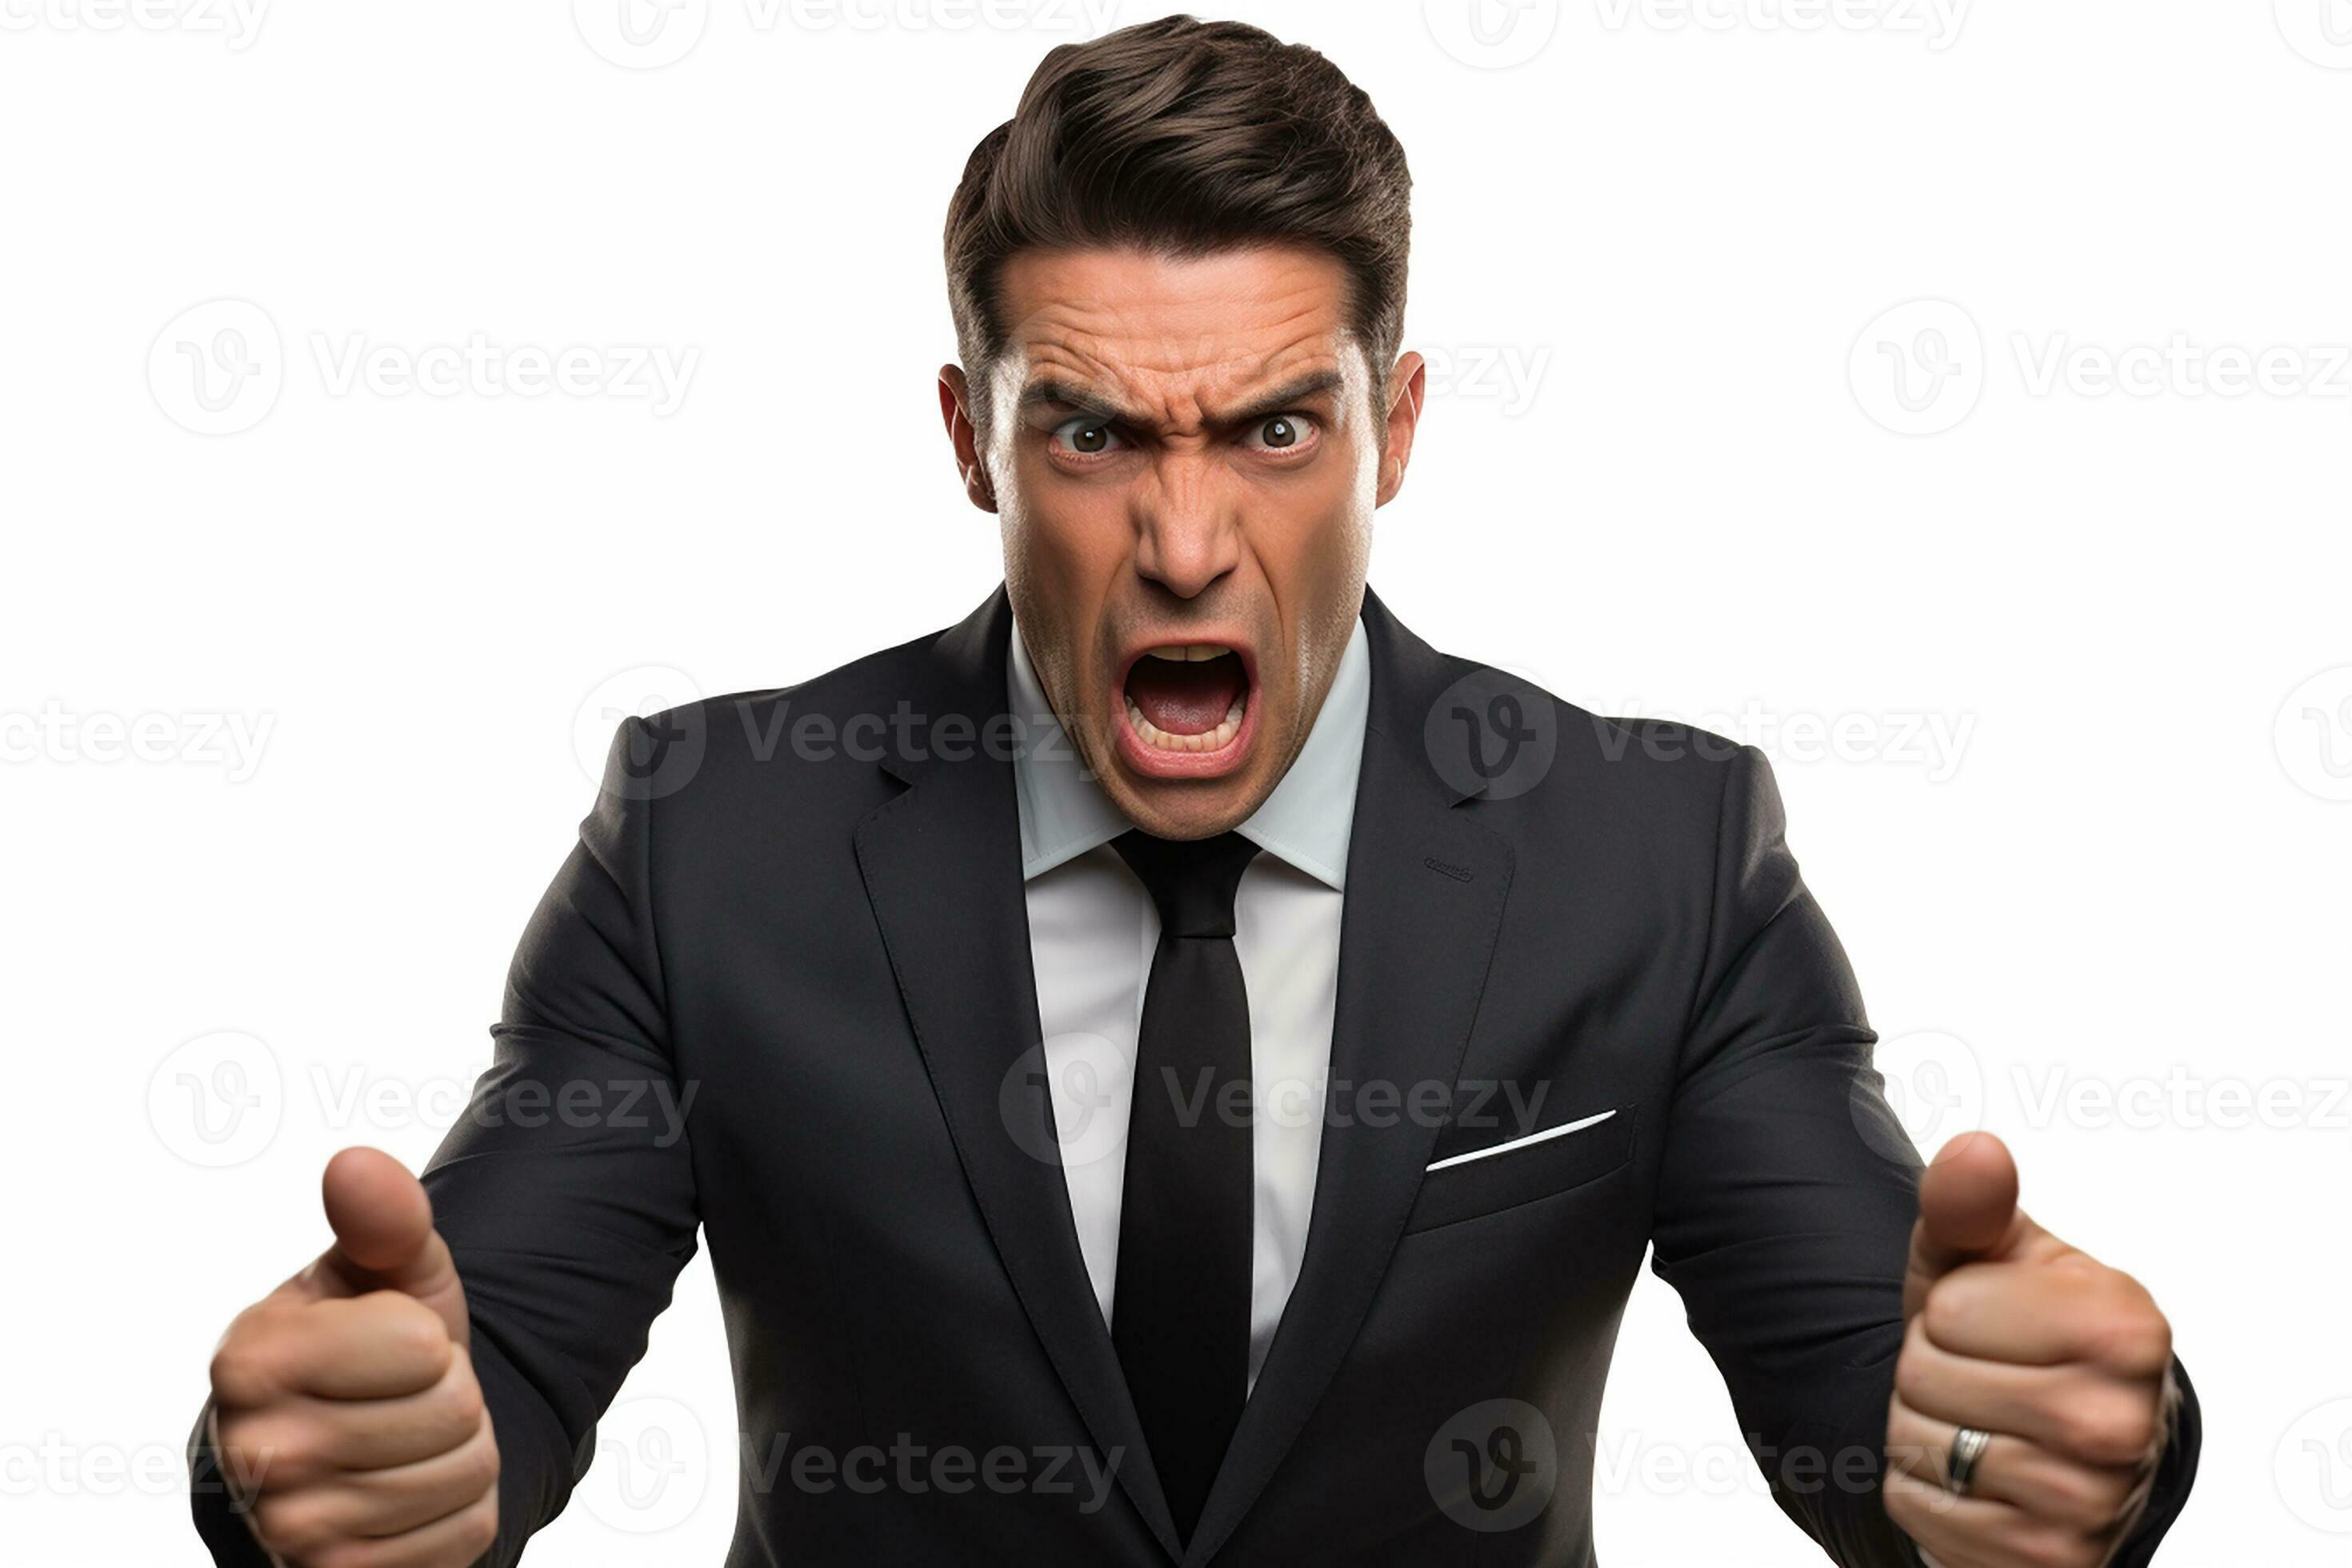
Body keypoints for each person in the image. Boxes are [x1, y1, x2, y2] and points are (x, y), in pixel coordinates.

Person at [190, 16, 2198, 1566]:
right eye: (1089, 433)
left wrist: (2042, 1450)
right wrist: (349, 1456)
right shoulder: (713, 838)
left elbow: (1893, 1408)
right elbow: (479, 1367)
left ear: (1391, 425)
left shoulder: (1653, 855)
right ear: (971, 437)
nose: (1181, 536)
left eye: (1269, 429)